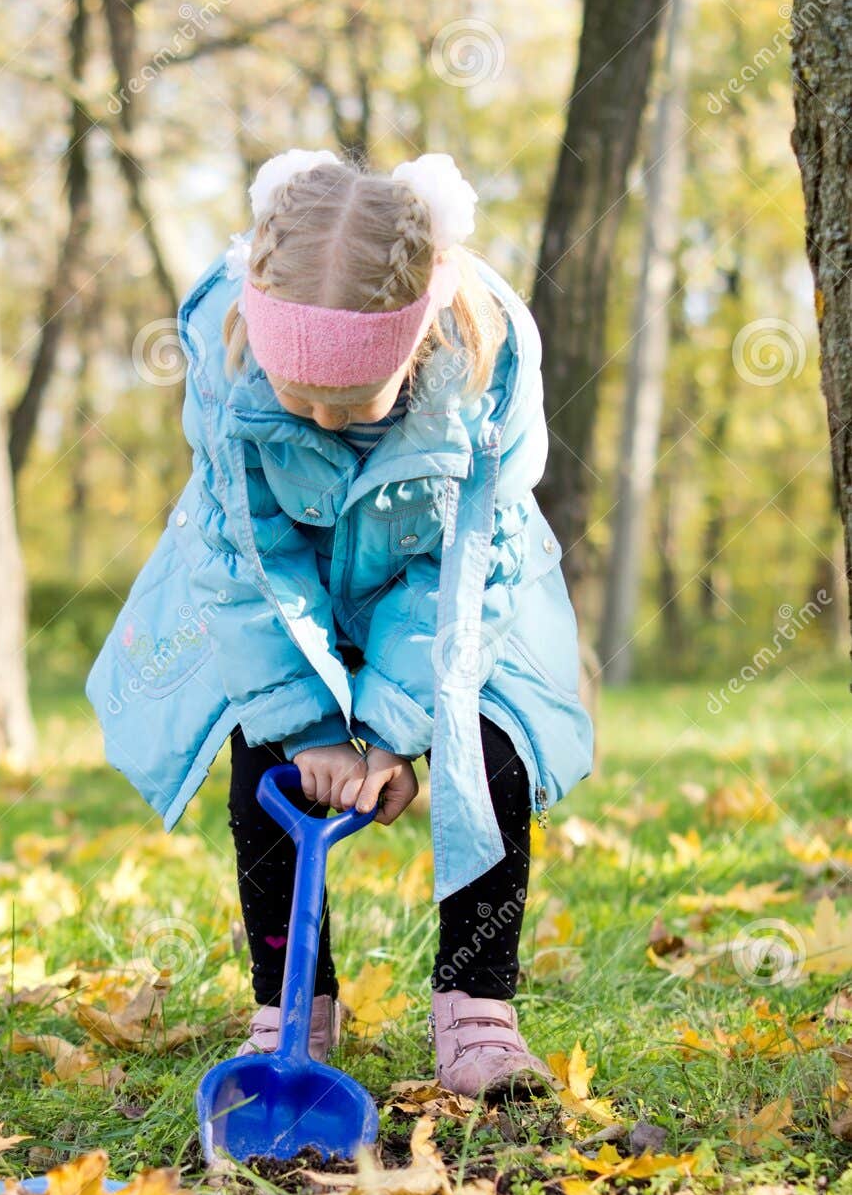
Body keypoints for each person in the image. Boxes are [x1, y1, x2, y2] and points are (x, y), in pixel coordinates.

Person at [88, 150, 593, 1097]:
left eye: (353, 400)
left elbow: (459, 579)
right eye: (299, 394)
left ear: (417, 342)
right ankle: (292, 1006)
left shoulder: (482, 386)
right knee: (265, 764)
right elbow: (249, 564)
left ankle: (477, 1009)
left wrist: (394, 732)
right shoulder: (230, 369)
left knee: (489, 753)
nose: (321, 417)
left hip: (454, 601)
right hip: (283, 602)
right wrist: (317, 730)